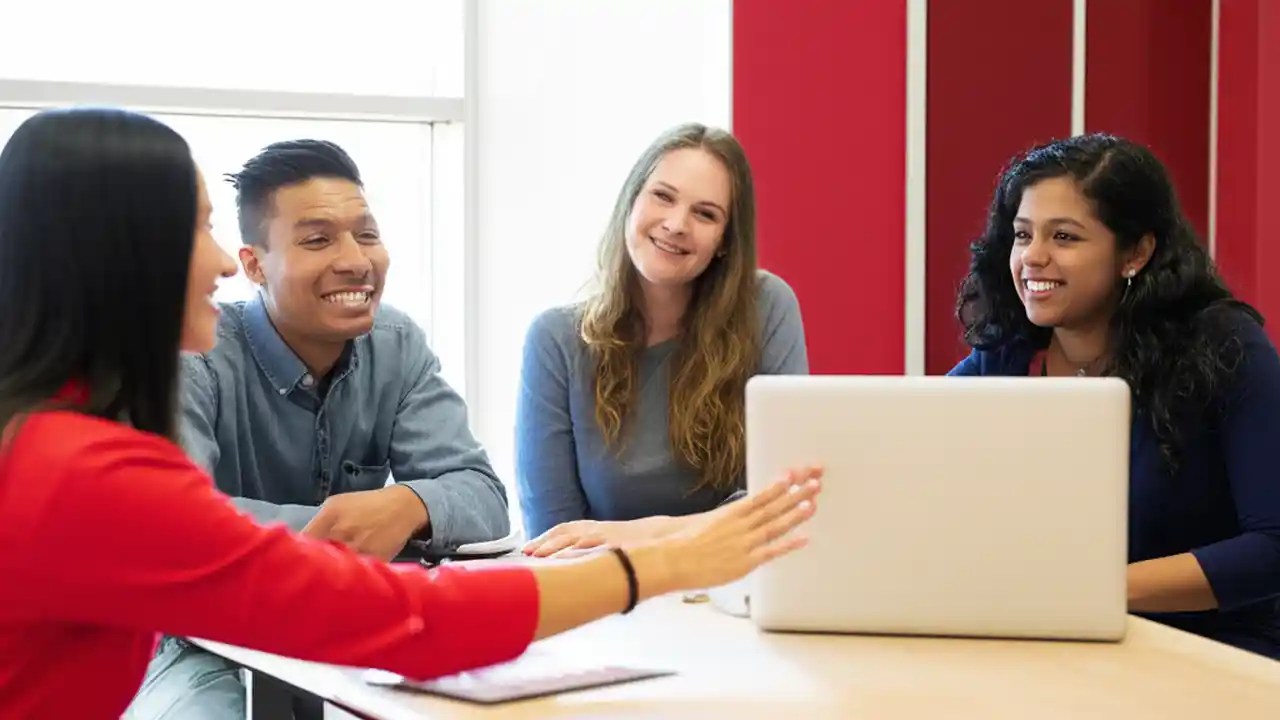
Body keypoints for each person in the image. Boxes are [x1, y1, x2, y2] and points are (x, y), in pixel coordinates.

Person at [0, 107, 823, 720]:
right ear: (121, 255)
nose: (220, 261)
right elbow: (398, 619)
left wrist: (412, 507)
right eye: (202, 230)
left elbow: (475, 496)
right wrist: (664, 561)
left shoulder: (51, 439)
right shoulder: (81, 473)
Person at [126, 139, 514, 719]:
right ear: (253, 264)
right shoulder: (197, 352)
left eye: (367, 234)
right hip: (194, 638)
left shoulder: (395, 343)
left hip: (348, 628)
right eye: (317, 240)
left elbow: (483, 494)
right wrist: (347, 528)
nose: (355, 259)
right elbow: (179, 526)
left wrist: (407, 504)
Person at [949, 133, 1280, 659]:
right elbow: (922, 482)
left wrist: (1089, 590)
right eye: (1022, 235)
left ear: (1136, 252)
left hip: (1214, 650)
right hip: (1054, 643)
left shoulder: (1224, 347)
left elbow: (1271, 547)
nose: (1032, 257)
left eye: (1064, 237)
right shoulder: (1006, 359)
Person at [516, 123, 808, 557]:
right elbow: (555, 537)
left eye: (705, 214)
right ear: (631, 202)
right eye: (663, 196)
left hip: (733, 590)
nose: (676, 224)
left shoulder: (767, 307)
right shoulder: (555, 341)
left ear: (725, 242)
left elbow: (783, 502)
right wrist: (698, 532)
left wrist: (646, 533)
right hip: (601, 600)